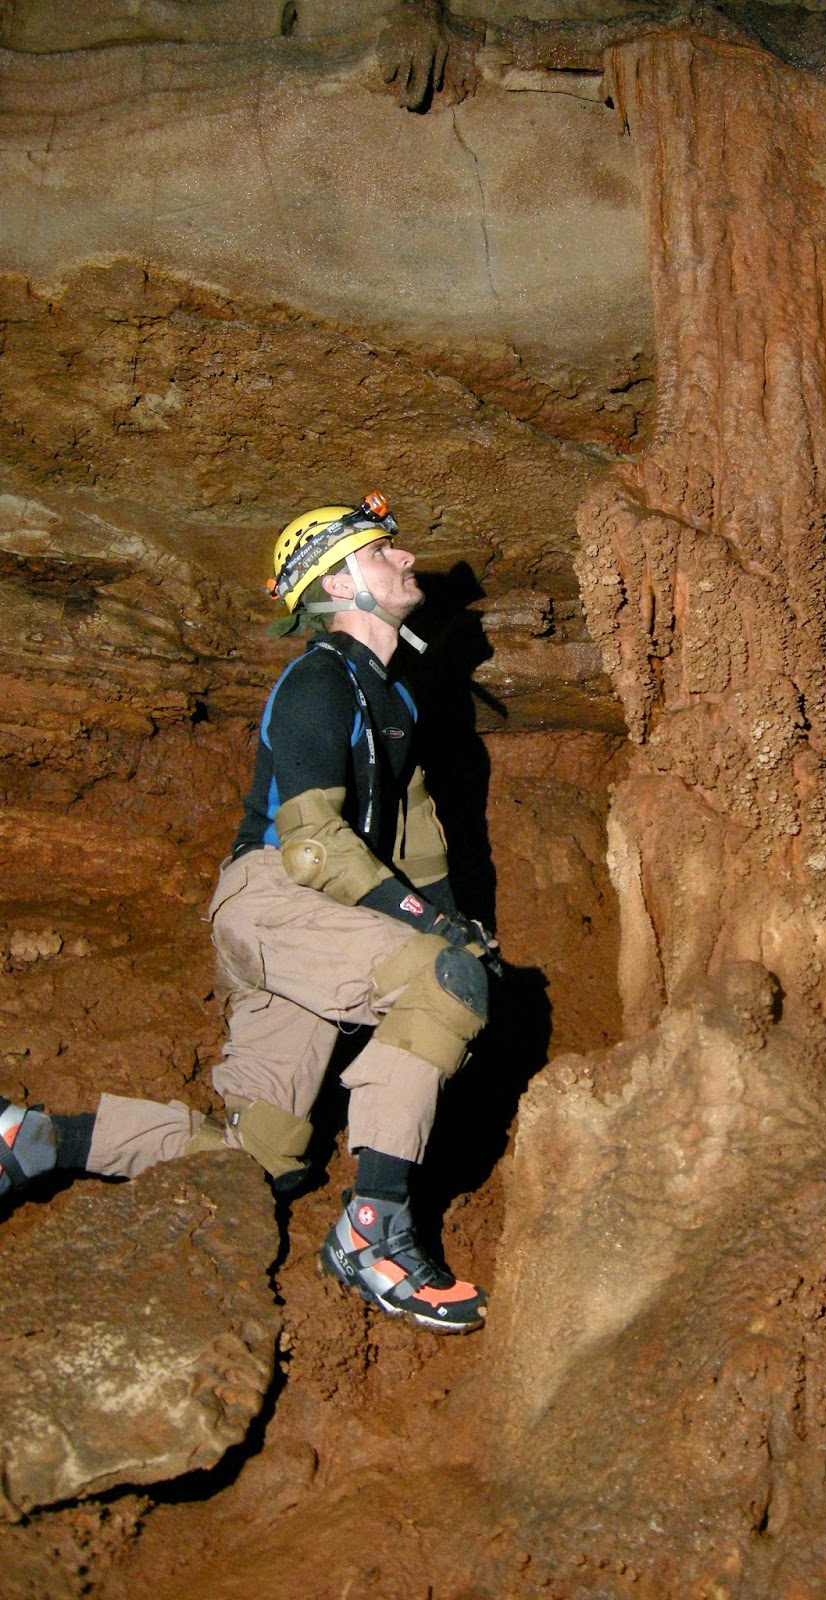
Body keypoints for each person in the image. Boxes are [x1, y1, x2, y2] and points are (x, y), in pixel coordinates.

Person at [0, 494, 495, 1334]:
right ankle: (374, 1234)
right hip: (271, 896)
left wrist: (452, 926)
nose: (409, 561)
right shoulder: (317, 680)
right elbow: (309, 847)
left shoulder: (396, 704)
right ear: (339, 585)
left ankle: (40, 1140)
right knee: (440, 979)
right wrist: (439, 946)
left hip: (311, 927)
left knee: (259, 1158)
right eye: (385, 552)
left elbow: (419, 855)